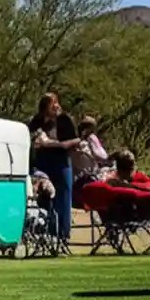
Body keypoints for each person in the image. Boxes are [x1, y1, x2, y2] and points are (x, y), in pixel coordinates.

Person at [27, 92, 78, 242]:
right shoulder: (36, 121)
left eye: (56, 102)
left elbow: (75, 139)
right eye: (52, 104)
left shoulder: (64, 119)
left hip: (61, 162)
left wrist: (58, 145)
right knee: (45, 196)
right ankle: (46, 230)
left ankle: (63, 233)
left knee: (63, 196)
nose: (56, 106)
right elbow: (32, 137)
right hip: (43, 162)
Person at [70, 116, 110, 191]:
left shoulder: (73, 143)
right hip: (90, 175)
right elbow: (101, 156)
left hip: (75, 178)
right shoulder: (90, 140)